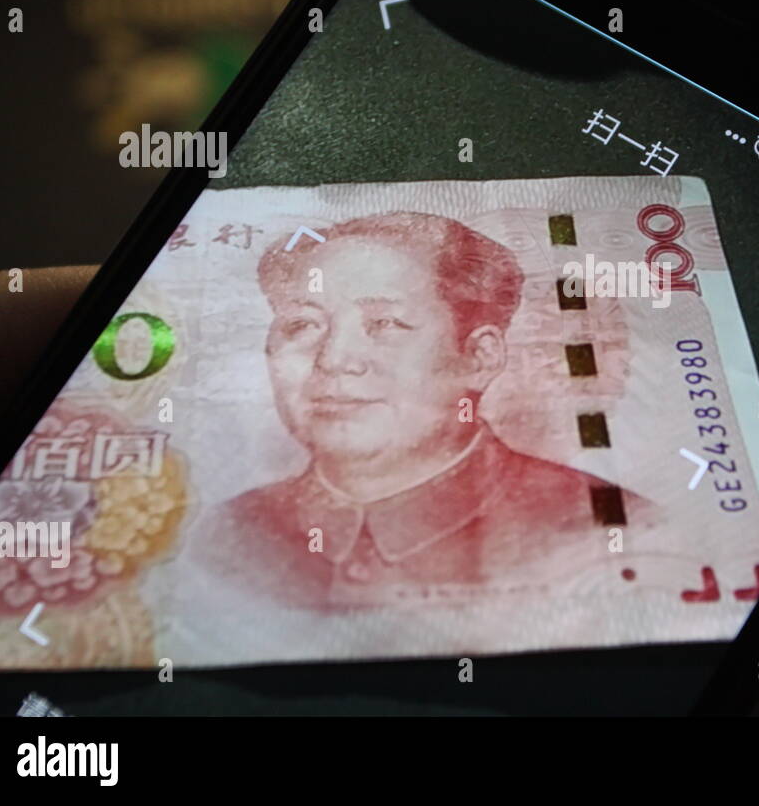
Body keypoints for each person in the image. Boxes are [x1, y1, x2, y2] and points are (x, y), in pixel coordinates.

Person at [191, 211, 652, 608]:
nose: (333, 359)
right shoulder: (228, 534)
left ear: (479, 357)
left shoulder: (610, 529)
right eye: (302, 324)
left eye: (386, 323)